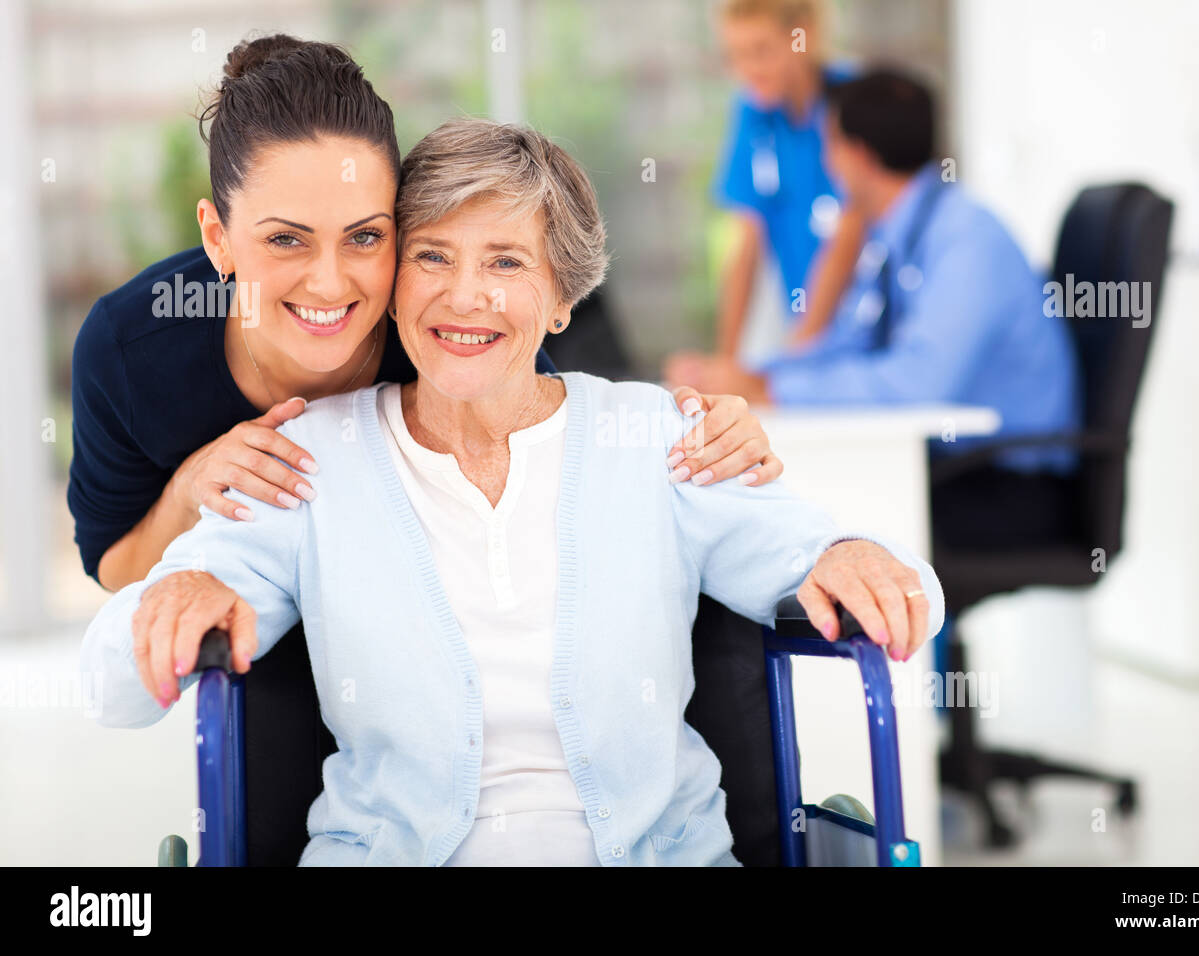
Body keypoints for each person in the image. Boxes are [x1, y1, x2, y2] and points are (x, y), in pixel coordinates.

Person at [80, 117, 945, 867]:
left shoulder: (656, 439)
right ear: (393, 288)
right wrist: (177, 593)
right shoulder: (311, 458)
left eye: (505, 260)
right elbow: (115, 683)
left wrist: (850, 555)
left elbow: (893, 587)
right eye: (432, 256)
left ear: (562, 299)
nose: (467, 295)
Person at [68, 35, 785, 594]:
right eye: (285, 238)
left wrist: (697, 446)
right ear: (217, 237)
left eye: (366, 236)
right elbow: (114, 569)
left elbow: (567, 465)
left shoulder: (441, 326)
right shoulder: (129, 351)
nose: (327, 283)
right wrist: (192, 491)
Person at [667, 70, 1083, 521]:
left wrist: (773, 390)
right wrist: (746, 375)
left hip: (1011, 483)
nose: (828, 165)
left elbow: (917, 384)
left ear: (858, 155)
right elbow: (854, 340)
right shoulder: (901, 232)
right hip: (957, 465)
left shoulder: (967, 240)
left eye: (830, 146)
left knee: (801, 517)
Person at [664, 0, 864, 380]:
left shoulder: (854, 99)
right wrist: (725, 364)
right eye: (735, 55)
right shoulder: (753, 112)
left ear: (805, 35)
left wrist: (797, 354)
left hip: (858, 330)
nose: (748, 70)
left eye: (761, 51)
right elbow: (747, 243)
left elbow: (849, 235)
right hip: (803, 332)